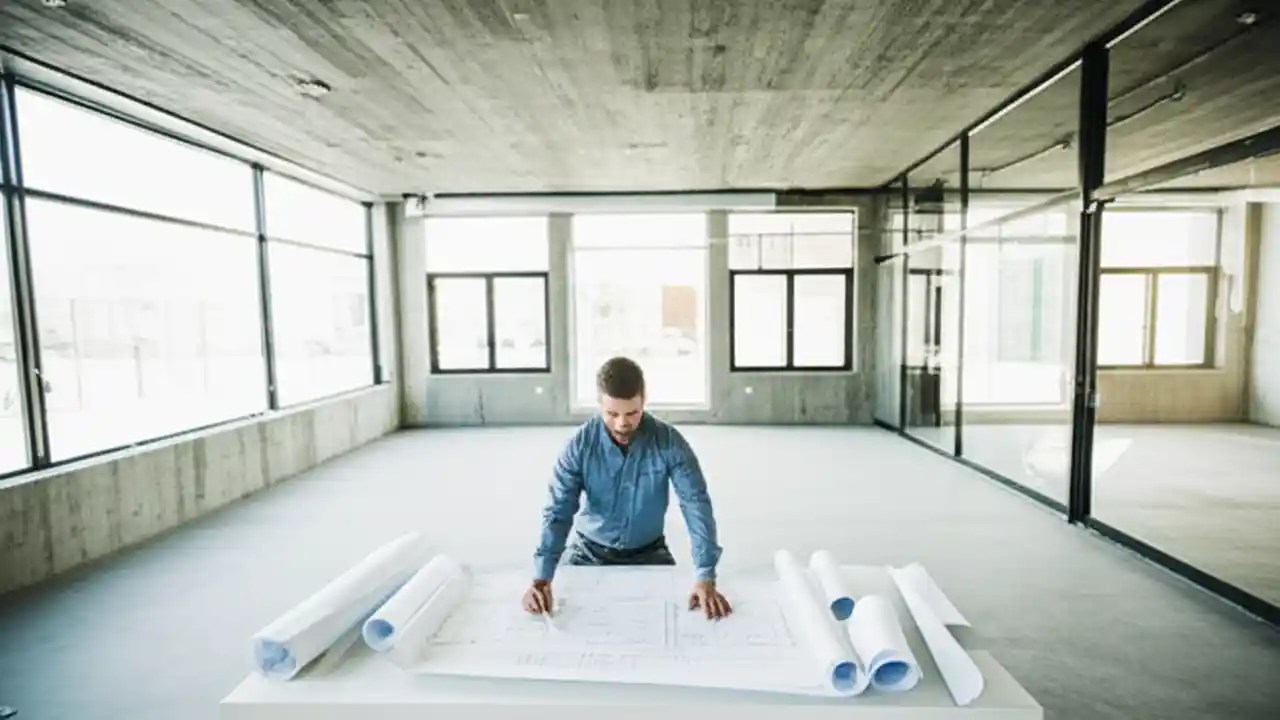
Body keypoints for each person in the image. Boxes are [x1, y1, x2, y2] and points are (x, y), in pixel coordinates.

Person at [522, 356, 732, 619]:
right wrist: (541, 578)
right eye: (612, 414)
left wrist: (705, 574)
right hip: (588, 553)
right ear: (600, 405)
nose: (622, 423)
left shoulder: (670, 443)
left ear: (644, 401)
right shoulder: (579, 446)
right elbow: (558, 511)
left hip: (650, 552)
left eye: (632, 413)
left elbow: (696, 504)